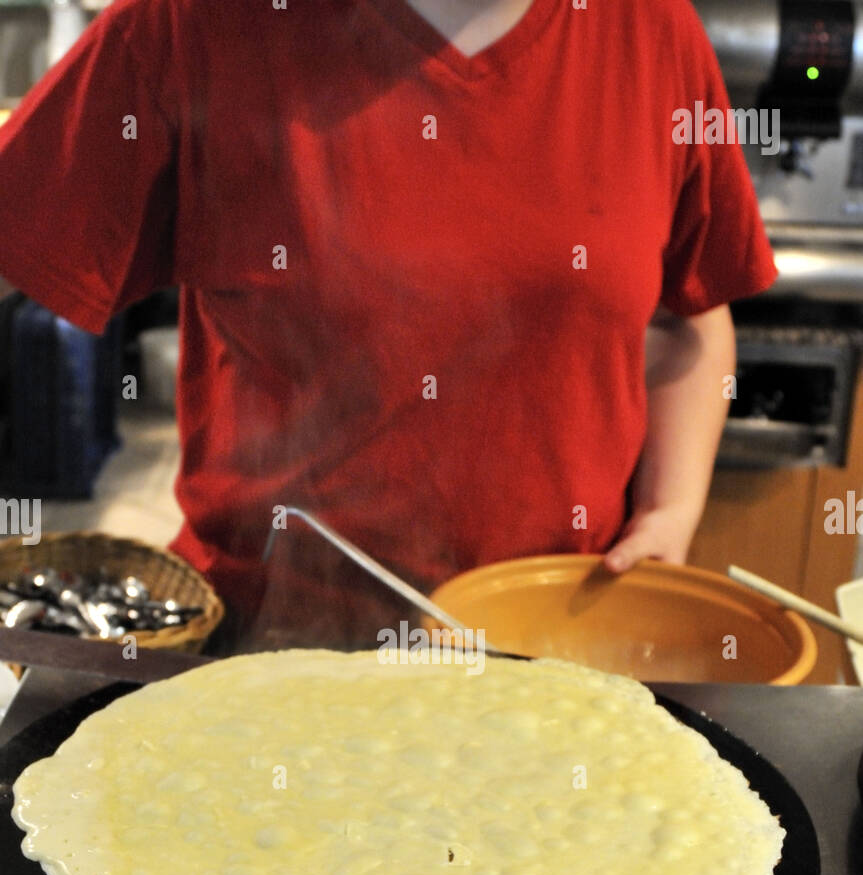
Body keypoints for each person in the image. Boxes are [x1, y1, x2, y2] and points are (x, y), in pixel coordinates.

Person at [0, 0, 774, 649]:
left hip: (555, 638)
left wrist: (670, 511)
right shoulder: (193, 24)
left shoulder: (652, 30)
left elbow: (688, 316)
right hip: (273, 644)